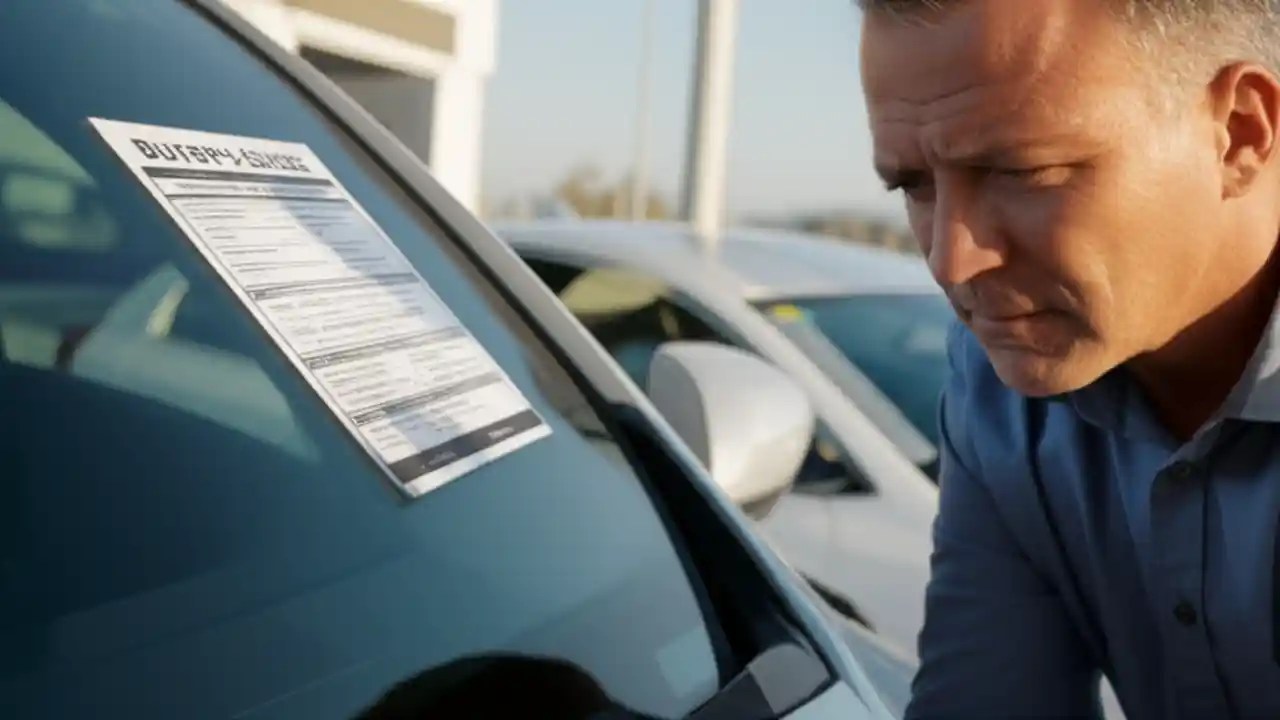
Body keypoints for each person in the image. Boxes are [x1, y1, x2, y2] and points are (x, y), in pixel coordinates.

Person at [857, 0, 1280, 718]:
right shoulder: (999, 394)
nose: (950, 259)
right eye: (914, 186)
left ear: (1240, 133)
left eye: (1021, 171)